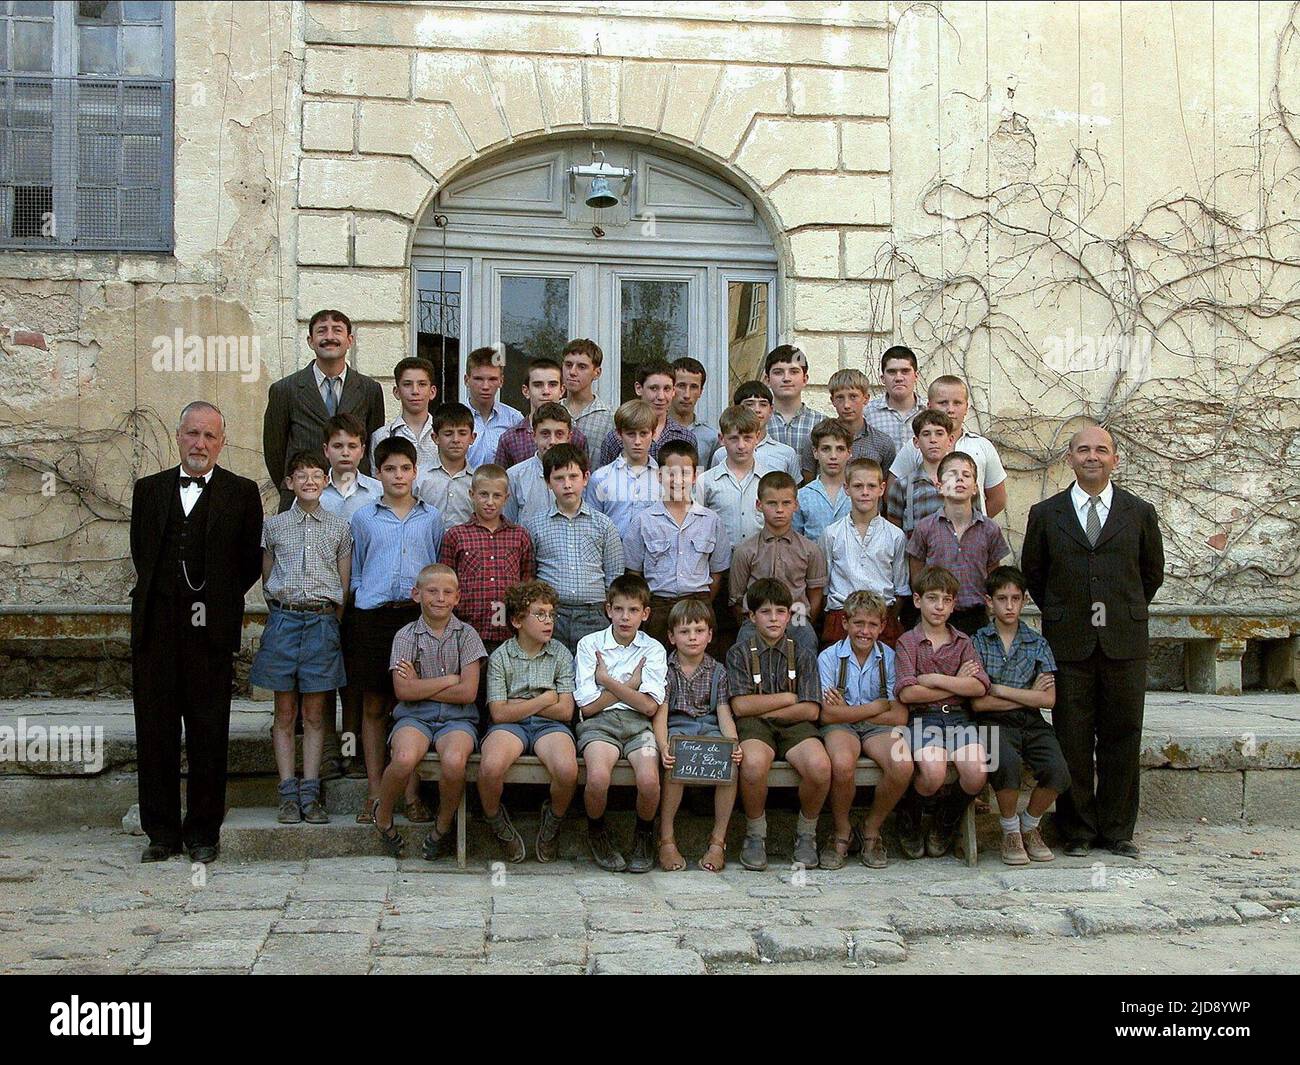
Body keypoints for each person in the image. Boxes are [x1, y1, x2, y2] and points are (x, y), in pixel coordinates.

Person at [1021, 424, 1164, 859]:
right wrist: (1066, 614)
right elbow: (1036, 574)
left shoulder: (1139, 513)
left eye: (1102, 450)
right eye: (1083, 450)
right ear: (1070, 458)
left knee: (1123, 734)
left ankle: (1119, 830)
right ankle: (1077, 830)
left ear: (1115, 459)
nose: (1092, 457)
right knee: (1073, 736)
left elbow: (1150, 575)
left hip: (1123, 640)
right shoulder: (1047, 514)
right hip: (1070, 642)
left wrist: (1118, 611)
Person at [130, 401, 262, 864]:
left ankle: (204, 832)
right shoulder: (147, 490)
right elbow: (142, 554)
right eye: (192, 434)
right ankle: (161, 833)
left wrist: (216, 604)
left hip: (210, 636)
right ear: (178, 436)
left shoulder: (243, 493)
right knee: (155, 733)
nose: (200, 443)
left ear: (221, 442)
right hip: (156, 632)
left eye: (209, 436)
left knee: (209, 733)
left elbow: (248, 563)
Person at [250, 450, 352, 825]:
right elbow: (267, 577)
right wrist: (283, 611)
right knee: (284, 712)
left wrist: (330, 619)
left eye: (317, 475)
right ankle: (287, 792)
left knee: (314, 713)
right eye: (301, 476)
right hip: (284, 621)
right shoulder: (274, 526)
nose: (310, 481)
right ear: (289, 482)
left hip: (322, 621)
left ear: (326, 481)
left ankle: (311, 792)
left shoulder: (339, 528)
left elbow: (343, 582)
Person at [347, 437, 444, 824]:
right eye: (390, 469)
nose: (398, 475)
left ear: (416, 472)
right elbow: (355, 568)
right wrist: (360, 598)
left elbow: (436, 563)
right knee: (373, 705)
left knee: (411, 705)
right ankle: (375, 792)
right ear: (377, 473)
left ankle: (411, 794)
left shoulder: (431, 517)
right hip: (373, 618)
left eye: (405, 468)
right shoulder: (363, 517)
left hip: (415, 619)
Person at [370, 565, 486, 861]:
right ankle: (382, 816)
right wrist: (449, 680)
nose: (440, 598)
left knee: (454, 761)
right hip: (414, 715)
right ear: (416, 594)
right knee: (405, 758)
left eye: (448, 592)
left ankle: (442, 827)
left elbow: (468, 693)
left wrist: (420, 683)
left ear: (458, 598)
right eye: (432, 591)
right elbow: (403, 692)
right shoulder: (406, 636)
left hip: (458, 718)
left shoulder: (467, 635)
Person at [727, 577, 830, 871]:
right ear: (752, 616)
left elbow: (810, 710)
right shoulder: (739, 653)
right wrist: (787, 697)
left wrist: (767, 709)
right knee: (754, 764)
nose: (774, 618)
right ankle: (755, 833)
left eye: (781, 612)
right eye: (765, 612)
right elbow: (740, 705)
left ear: (790, 614)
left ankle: (806, 834)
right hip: (754, 727)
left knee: (820, 767)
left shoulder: (805, 654)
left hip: (795, 725)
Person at [972, 566, 1071, 865]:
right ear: (989, 601)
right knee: (1007, 762)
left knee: (1058, 770)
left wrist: (998, 690)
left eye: (1016, 598)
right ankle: (1009, 830)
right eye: (1002, 598)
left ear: (1025, 600)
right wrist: (1028, 696)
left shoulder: (1037, 643)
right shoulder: (977, 642)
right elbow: (977, 704)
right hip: (991, 723)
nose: (1009, 605)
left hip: (1032, 721)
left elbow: (1049, 700)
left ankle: (1030, 826)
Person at [893, 565, 991, 860]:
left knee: (976, 773)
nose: (939, 606)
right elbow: (908, 693)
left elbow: (980, 687)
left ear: (953, 605)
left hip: (958, 719)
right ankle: (909, 815)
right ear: (917, 600)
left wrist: (934, 679)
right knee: (933, 773)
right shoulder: (907, 642)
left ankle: (945, 821)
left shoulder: (963, 641)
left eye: (946, 600)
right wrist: (959, 683)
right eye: (932, 598)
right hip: (923, 718)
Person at [478, 579, 578, 863]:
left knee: (567, 769)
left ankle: (553, 821)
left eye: (551, 615)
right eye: (540, 614)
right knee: (490, 766)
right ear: (517, 620)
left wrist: (520, 704)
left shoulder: (560, 653)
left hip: (550, 727)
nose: (549, 621)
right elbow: (498, 713)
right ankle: (496, 820)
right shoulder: (500, 657)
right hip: (510, 727)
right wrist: (545, 700)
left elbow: (565, 711)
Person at [574, 574, 668, 872]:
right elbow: (588, 708)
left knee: (650, 780)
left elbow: (650, 705)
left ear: (646, 613)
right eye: (619, 609)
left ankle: (643, 833)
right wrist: (630, 685)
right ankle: (597, 830)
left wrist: (607, 681)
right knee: (598, 778)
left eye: (633, 610)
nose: (625, 617)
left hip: (639, 725)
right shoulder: (590, 645)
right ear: (608, 610)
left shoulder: (653, 649)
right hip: (600, 725)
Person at [817, 591, 912, 869]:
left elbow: (900, 715)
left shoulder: (890, 657)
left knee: (903, 764)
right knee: (843, 763)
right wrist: (877, 706)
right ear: (845, 622)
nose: (865, 631)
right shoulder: (829, 657)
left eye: (872, 625)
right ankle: (841, 830)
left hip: (877, 729)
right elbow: (827, 714)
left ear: (883, 626)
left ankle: (871, 828)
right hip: (841, 727)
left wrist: (851, 709)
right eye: (858, 623)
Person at [263, 309, 385, 512]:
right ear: (310, 341)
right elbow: (275, 452)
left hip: (357, 500)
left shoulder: (369, 389)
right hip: (302, 499)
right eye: (322, 331)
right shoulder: (285, 390)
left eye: (337, 330)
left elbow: (372, 444)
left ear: (350, 340)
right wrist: (298, 484)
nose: (329, 337)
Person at [653, 599, 742, 873]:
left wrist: (734, 744)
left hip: (708, 726)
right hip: (677, 727)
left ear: (710, 635)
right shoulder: (665, 669)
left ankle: (718, 840)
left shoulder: (718, 670)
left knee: (730, 765)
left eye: (699, 630)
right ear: (671, 637)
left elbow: (724, 711)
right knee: (674, 763)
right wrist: (663, 745)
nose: (692, 637)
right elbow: (661, 712)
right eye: (684, 631)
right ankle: (666, 838)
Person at [317, 411, 383, 778]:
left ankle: (353, 750)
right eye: (338, 445)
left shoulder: (376, 492)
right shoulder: (311, 493)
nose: (345, 452)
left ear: (363, 451)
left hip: (360, 602)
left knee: (356, 683)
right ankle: (328, 751)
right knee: (324, 678)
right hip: (323, 600)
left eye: (352, 446)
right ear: (326, 450)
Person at [624, 438, 730, 647]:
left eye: (685, 473)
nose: (678, 480)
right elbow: (634, 572)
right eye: (671, 473)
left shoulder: (711, 521)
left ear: (695, 476)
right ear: (659, 475)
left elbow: (717, 573)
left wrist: (701, 600)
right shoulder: (643, 521)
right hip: (658, 607)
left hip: (699, 606)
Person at [524, 442, 625, 653]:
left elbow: (614, 576)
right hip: (551, 614)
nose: (567, 485)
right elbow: (530, 573)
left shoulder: (604, 525)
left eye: (573, 477)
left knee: (591, 676)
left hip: (593, 615)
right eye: (559, 478)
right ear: (548, 483)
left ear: (586, 478)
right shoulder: (535, 525)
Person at [906, 451, 1009, 636]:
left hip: (976, 619)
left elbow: (993, 574)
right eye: (952, 475)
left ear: (975, 487)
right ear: (939, 486)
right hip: (935, 618)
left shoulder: (990, 530)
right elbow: (916, 575)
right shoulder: (925, 528)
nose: (959, 479)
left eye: (966, 475)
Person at [729, 471, 827, 656]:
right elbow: (737, 598)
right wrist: (756, 618)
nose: (779, 510)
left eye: (786, 503)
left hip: (797, 620)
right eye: (772, 503)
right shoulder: (746, 551)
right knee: (743, 650)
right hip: (756, 621)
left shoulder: (810, 550)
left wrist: (802, 618)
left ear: (796, 505)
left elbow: (815, 594)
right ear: (759, 505)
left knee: (807, 645)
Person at [820, 458, 909, 647]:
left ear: (882, 488)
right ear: (847, 488)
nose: (865, 492)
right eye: (858, 486)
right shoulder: (832, 534)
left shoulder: (895, 535)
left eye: (871, 486)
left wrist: (884, 619)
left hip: (882, 621)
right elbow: (825, 587)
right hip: (840, 619)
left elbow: (900, 588)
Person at [889, 375, 1007, 517]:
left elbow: (998, 499)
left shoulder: (982, 447)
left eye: (957, 403)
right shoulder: (914, 447)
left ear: (966, 408)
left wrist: (973, 526)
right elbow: (893, 496)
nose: (950, 409)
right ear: (929, 406)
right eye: (943, 403)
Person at [799, 369, 896, 490]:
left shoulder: (883, 443)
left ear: (866, 398)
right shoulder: (816, 439)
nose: (847, 405)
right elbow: (809, 483)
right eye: (840, 398)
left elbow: (885, 487)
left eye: (853, 397)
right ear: (832, 400)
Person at [597, 359, 696, 466]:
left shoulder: (685, 437)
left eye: (667, 389)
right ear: (639, 388)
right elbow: (606, 477)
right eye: (654, 388)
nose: (661, 397)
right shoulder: (616, 438)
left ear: (673, 391)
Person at [584, 399, 661, 537]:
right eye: (631, 434)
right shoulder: (601, 478)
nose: (637, 441)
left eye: (643, 434)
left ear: (653, 434)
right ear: (619, 434)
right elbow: (590, 528)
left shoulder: (664, 479)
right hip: (611, 555)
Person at [495, 356, 588, 467]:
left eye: (552, 384)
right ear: (526, 391)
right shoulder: (510, 439)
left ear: (562, 390)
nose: (546, 391)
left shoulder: (576, 438)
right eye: (538, 385)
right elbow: (500, 482)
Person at [503, 402, 579, 528]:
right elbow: (507, 524)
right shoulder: (514, 476)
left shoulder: (579, 477)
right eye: (545, 434)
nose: (552, 441)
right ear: (534, 435)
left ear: (569, 437)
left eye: (559, 434)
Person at [709, 380, 802, 482]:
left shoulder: (786, 453)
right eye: (750, 404)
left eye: (763, 404)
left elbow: (793, 492)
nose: (757, 410)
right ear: (737, 408)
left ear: (771, 410)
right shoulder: (721, 453)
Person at [370, 356, 439, 473]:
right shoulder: (382, 436)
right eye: (407, 384)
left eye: (422, 384)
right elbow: (376, 484)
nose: (415, 391)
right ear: (396, 392)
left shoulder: (445, 435)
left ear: (432, 392)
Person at [762, 345, 821, 480]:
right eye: (778, 372)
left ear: (805, 379)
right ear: (767, 379)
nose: (786, 378)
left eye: (794, 372)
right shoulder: (757, 422)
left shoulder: (821, 423)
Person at [416, 401, 476, 527]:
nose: (455, 440)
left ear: (472, 438)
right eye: (448, 433)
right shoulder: (419, 477)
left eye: (462, 433)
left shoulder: (477, 481)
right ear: (435, 438)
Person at [464, 345, 524, 468]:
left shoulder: (514, 419)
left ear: (501, 381)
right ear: (466, 380)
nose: (485, 386)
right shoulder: (455, 417)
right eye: (478, 379)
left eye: (492, 379)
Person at [794, 419, 852, 542]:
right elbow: (795, 544)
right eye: (826, 449)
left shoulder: (859, 494)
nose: (833, 456)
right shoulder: (802, 497)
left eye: (840, 449)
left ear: (849, 453)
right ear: (815, 452)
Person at [561, 338, 615, 468]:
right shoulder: (551, 412)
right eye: (568, 365)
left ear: (597, 373)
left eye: (582, 367)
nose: (572, 372)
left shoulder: (610, 418)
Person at [865, 345, 925, 451]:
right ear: (883, 378)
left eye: (905, 371)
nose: (898, 378)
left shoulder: (929, 410)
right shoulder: (868, 413)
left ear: (916, 376)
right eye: (892, 372)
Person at [669, 356, 717, 462]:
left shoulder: (712, 437)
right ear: (671, 388)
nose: (687, 395)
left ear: (700, 391)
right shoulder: (652, 432)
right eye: (681, 386)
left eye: (694, 387)